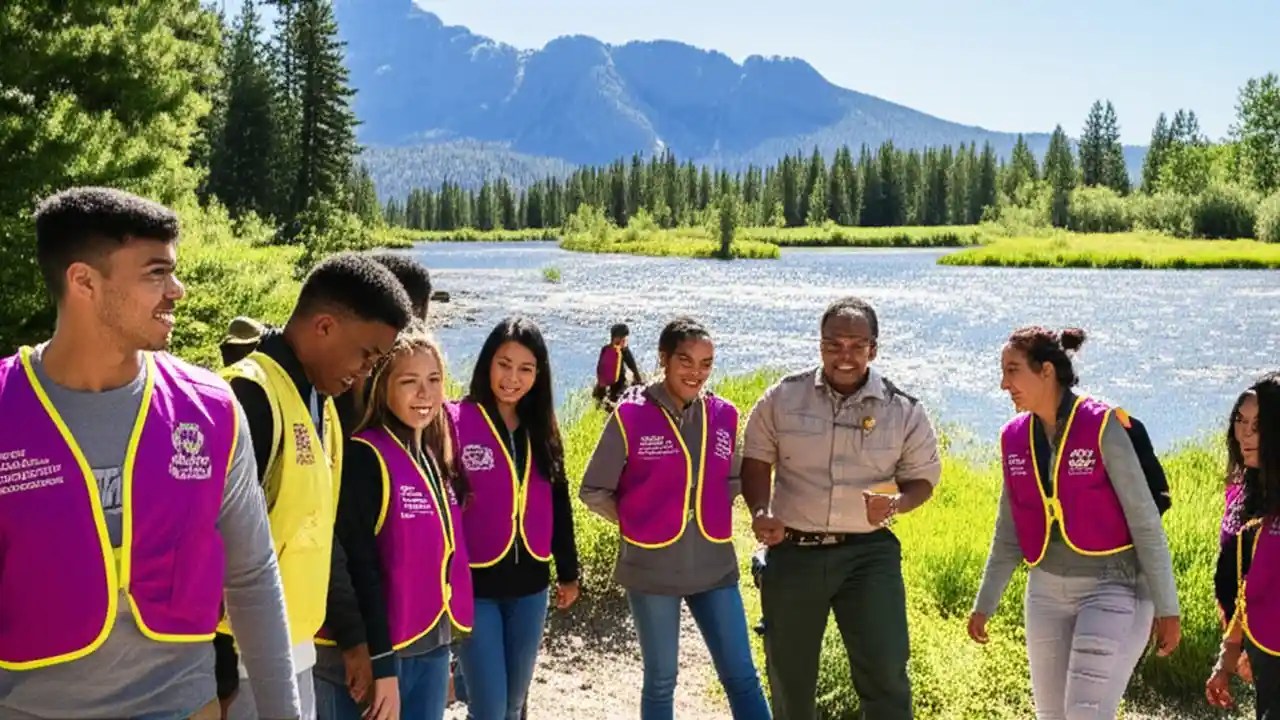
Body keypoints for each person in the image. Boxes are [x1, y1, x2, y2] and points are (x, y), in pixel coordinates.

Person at [0, 187, 299, 719]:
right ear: (84, 281)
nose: (178, 291)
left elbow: (252, 576)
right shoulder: (6, 407)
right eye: (155, 273)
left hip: (184, 708)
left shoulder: (211, 410)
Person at [219, 253, 413, 720]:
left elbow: (322, 536)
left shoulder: (322, 406)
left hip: (292, 652)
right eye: (367, 355)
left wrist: (352, 635)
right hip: (239, 667)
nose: (367, 373)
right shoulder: (249, 397)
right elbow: (201, 541)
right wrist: (218, 666)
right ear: (324, 326)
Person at [741, 296, 941, 720]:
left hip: (869, 557)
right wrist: (760, 511)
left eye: (856, 345)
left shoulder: (902, 408)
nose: (844, 356)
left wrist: (897, 503)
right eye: (834, 344)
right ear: (820, 344)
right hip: (794, 554)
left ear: (874, 347)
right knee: (790, 679)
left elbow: (923, 478)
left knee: (886, 674)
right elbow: (755, 460)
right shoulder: (783, 397)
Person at [968, 326, 1182, 720]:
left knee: (1085, 713)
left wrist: (1168, 608)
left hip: (1114, 588)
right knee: (1052, 716)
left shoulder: (1103, 426)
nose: (1003, 384)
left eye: (1013, 370)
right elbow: (1008, 534)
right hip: (1045, 593)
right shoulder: (1016, 437)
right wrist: (984, 605)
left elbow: (1146, 522)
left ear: (1046, 371)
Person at [580, 317, 771, 720]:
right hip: (651, 569)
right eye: (685, 360)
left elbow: (734, 478)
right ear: (664, 358)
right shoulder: (630, 415)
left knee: (742, 675)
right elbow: (594, 490)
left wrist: (706, 510)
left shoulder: (724, 415)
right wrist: (640, 521)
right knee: (662, 680)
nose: (696, 372)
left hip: (714, 566)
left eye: (706, 363)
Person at [314, 322, 473, 720]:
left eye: (434, 379)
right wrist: (382, 665)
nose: (426, 393)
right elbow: (360, 565)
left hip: (430, 648)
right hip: (381, 656)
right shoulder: (365, 457)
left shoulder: (431, 455)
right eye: (410, 382)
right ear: (383, 386)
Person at [447, 316, 581, 720]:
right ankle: (460, 682)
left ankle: (458, 682)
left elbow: (559, 502)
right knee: (491, 710)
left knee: (513, 705)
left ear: (539, 375)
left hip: (530, 588)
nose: (512, 378)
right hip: (476, 587)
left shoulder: (542, 428)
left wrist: (569, 572)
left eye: (525, 368)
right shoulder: (453, 421)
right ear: (487, 362)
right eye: (504, 364)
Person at [1208, 372, 1279, 718]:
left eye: (1259, 424)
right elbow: (1245, 582)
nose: (1245, 433)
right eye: (1241, 420)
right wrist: (1232, 651)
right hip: (1263, 646)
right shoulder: (1240, 495)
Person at [593, 322, 643, 410]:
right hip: (618, 386)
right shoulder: (623, 351)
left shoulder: (606, 349)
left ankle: (605, 404)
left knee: (605, 400)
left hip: (609, 386)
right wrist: (639, 381)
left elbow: (600, 369)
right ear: (620, 339)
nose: (626, 342)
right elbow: (633, 367)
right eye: (625, 339)